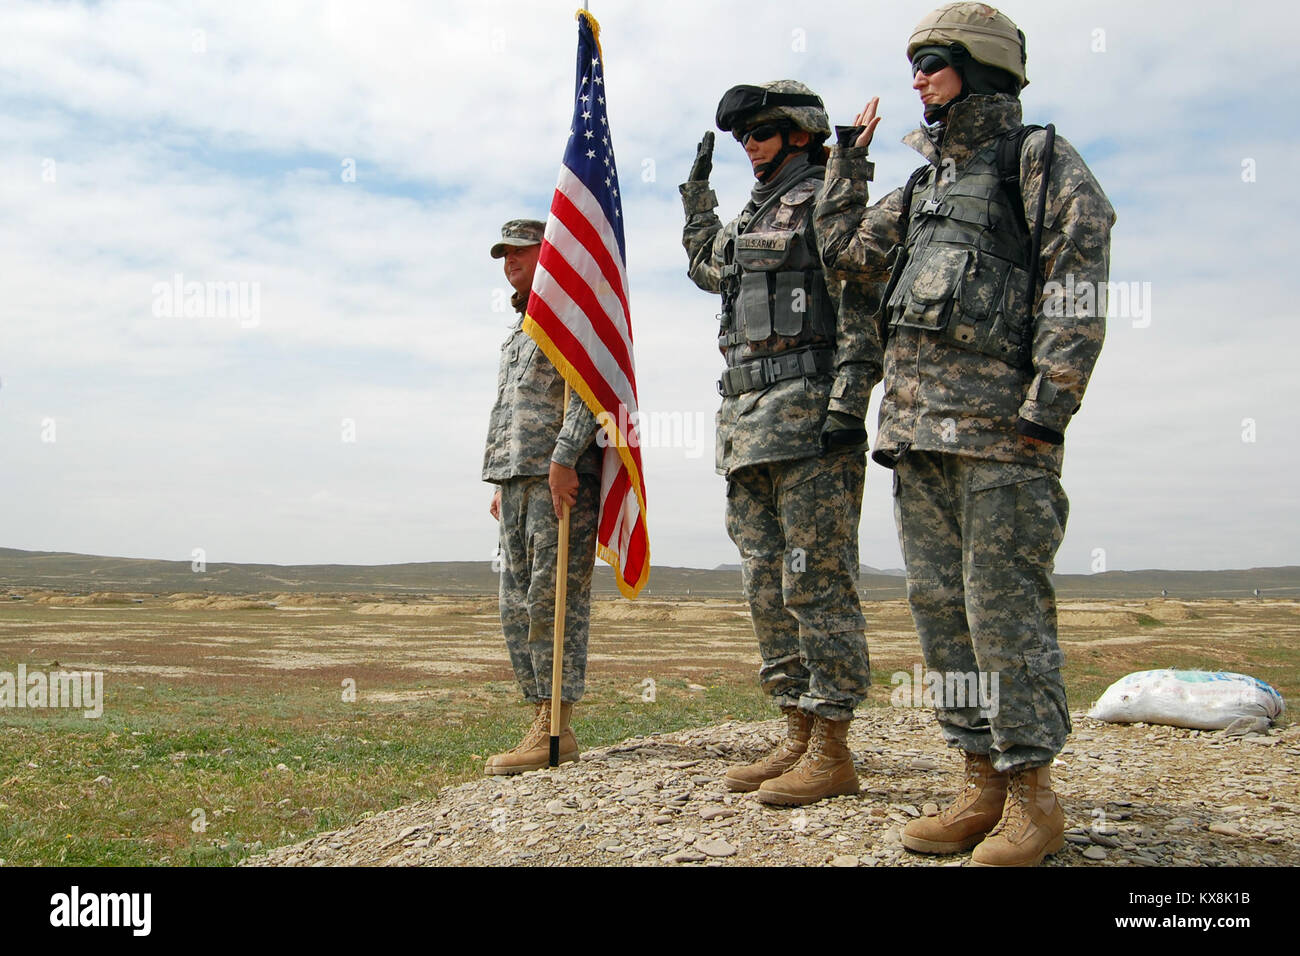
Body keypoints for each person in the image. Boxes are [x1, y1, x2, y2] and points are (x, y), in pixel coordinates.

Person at [815, 2, 1114, 864]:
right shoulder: (917, 189)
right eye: (914, 64)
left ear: (982, 69)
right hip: (916, 444)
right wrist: (848, 161)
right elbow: (843, 257)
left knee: (1004, 620)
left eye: (934, 62)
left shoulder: (1042, 164)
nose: (918, 78)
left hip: (1002, 445)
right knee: (944, 622)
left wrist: (1045, 415)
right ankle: (978, 780)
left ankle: (1033, 798)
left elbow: (1078, 287)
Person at [680, 81, 880, 806]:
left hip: (809, 419)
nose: (750, 145)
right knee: (766, 583)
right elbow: (710, 269)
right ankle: (795, 726)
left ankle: (832, 743)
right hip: (746, 423)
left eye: (761, 130)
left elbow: (860, 299)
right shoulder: (751, 211)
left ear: (800, 131)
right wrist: (696, 199)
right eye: (742, 137)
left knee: (816, 582)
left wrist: (849, 405)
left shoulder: (831, 194)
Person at [481, 219, 601, 774]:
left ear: (545, 255)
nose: (511, 263)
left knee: (553, 604)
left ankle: (557, 723)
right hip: (517, 481)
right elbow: (512, 407)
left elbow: (588, 391)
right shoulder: (519, 330)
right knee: (515, 606)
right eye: (505, 255)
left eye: (521, 253)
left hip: (558, 482)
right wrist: (504, 476)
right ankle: (538, 713)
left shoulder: (568, 319)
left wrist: (564, 457)